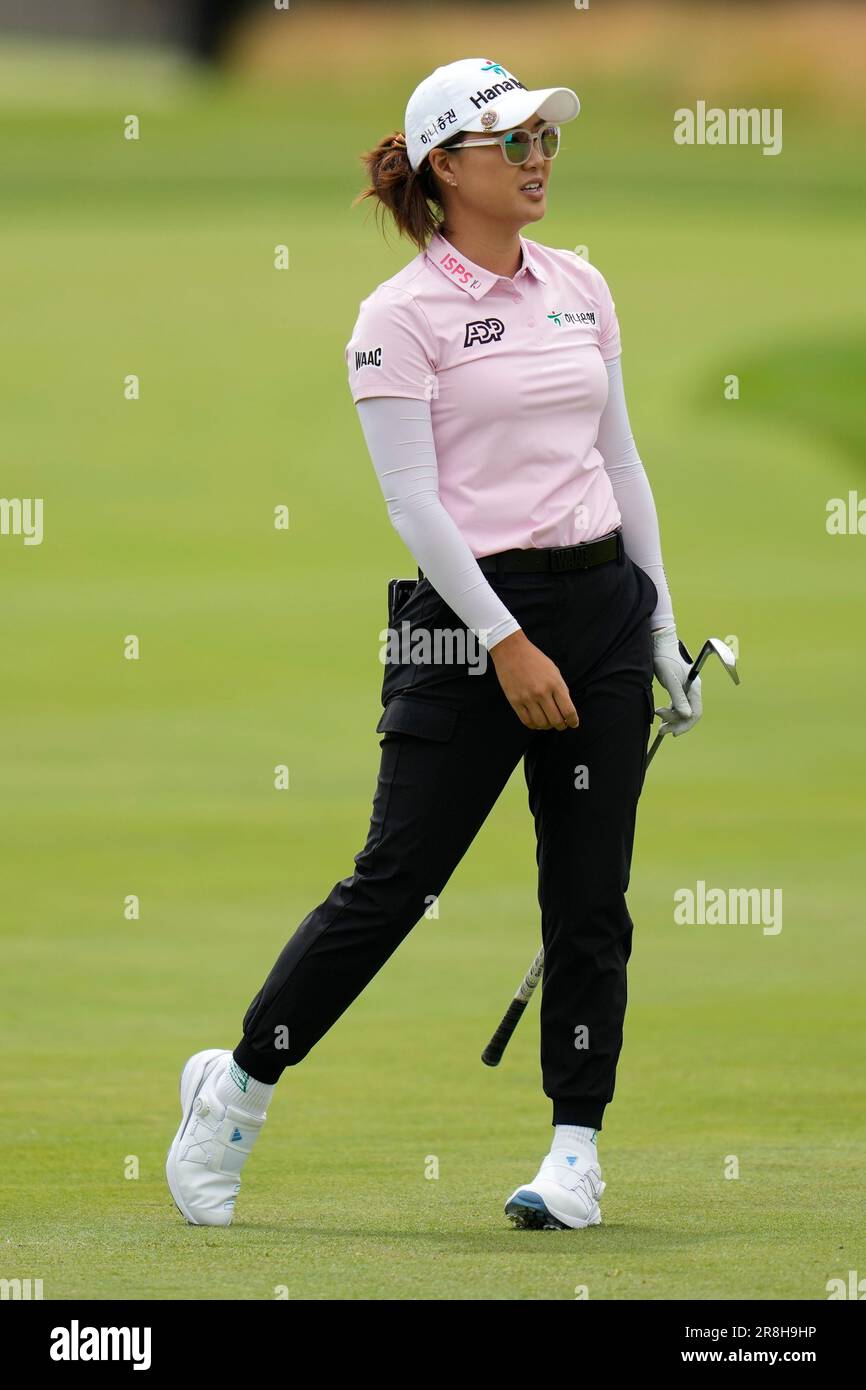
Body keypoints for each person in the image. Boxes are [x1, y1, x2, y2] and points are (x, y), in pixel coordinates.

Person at [165, 57, 701, 1232]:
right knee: (395, 883)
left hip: (599, 606)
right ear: (444, 168)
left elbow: (618, 464)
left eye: (544, 139)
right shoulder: (397, 318)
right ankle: (239, 1087)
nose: (537, 158)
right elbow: (417, 506)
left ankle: (572, 1150)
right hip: (469, 630)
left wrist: (655, 623)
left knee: (588, 895)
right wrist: (507, 642)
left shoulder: (579, 286)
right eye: (509, 143)